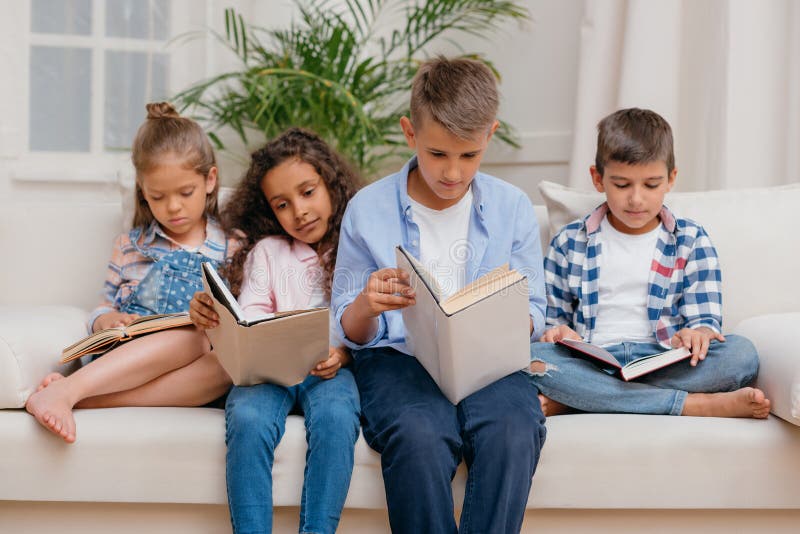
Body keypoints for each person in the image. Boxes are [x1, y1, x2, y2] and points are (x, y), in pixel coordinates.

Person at [331, 57, 547, 533]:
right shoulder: (367, 209)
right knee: (419, 434)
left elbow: (535, 311)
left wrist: (508, 317)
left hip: (488, 359)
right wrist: (366, 305)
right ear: (409, 133)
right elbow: (348, 330)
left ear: (490, 135)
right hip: (397, 358)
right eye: (437, 154)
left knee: (514, 430)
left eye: (469, 155)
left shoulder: (512, 207)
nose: (453, 172)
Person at [529, 107, 771, 419]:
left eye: (651, 185)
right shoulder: (569, 241)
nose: (636, 199)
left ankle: (578, 398)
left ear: (671, 179)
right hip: (593, 359)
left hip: (664, 359)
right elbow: (553, 323)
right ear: (598, 178)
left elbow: (705, 322)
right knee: (530, 358)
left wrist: (697, 333)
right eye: (622, 185)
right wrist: (558, 331)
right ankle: (691, 405)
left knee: (742, 355)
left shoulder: (691, 240)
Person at [25, 102, 237, 443]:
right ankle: (74, 389)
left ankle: (78, 397)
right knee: (190, 338)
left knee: (224, 362)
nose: (173, 206)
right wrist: (105, 320)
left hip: (192, 367)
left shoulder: (230, 246)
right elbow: (103, 306)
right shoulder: (130, 245)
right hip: (127, 355)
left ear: (210, 180)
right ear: (142, 190)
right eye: (158, 196)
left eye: (186, 193)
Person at [189, 128, 362, 534]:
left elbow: (364, 321)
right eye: (282, 204)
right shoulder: (268, 251)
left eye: (308, 192)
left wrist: (342, 354)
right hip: (270, 372)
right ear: (269, 210)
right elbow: (250, 312)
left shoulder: (355, 247)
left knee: (337, 417)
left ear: (331, 184)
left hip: (330, 371)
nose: (299, 211)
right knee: (248, 418)